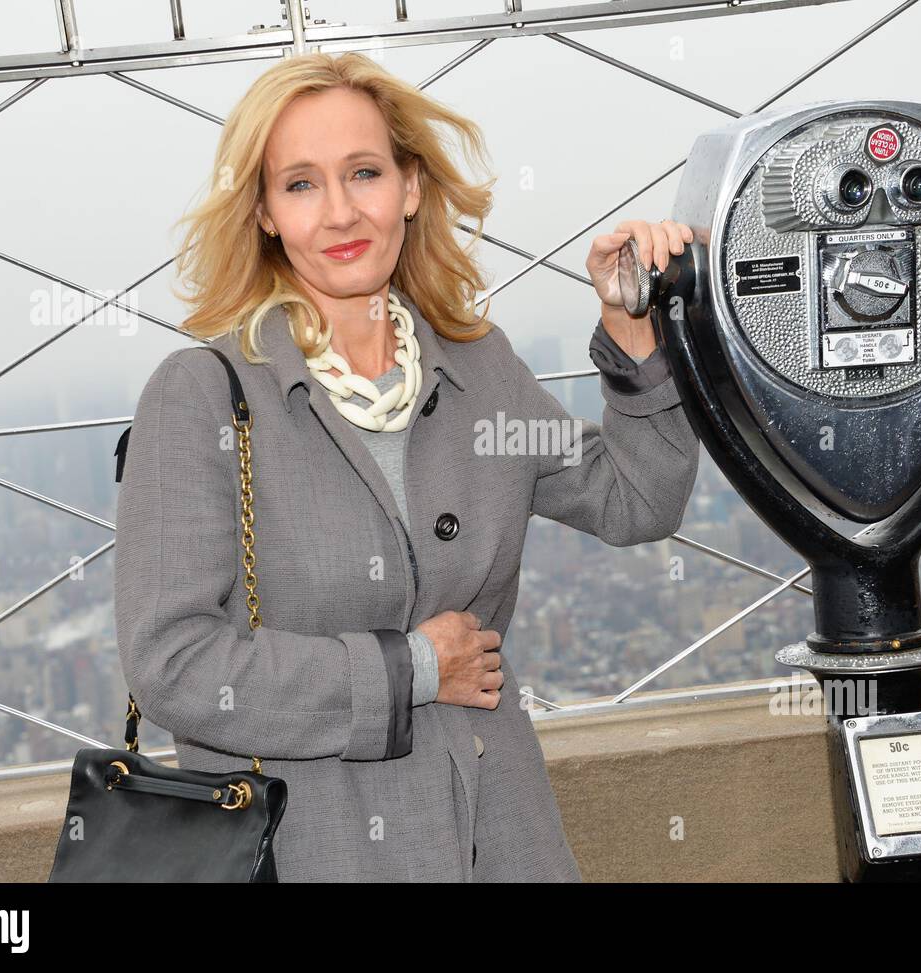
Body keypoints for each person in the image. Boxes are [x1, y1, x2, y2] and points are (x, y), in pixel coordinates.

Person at [114, 51, 700, 882]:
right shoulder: (202, 396)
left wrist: (633, 327)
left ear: (411, 187)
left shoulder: (478, 368)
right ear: (265, 213)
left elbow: (637, 499)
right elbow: (175, 664)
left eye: (364, 172)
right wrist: (414, 669)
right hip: (311, 851)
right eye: (302, 184)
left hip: (501, 841)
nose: (343, 211)